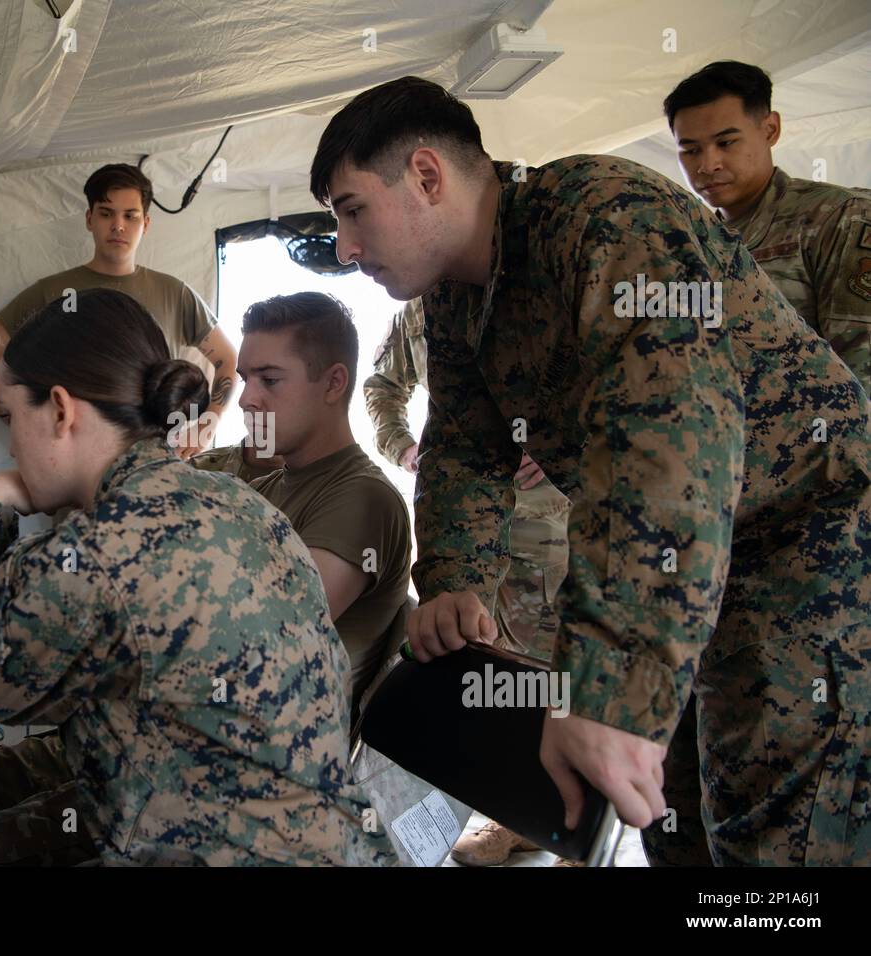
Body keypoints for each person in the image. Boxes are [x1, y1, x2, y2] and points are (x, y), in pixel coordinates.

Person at [311, 75, 871, 866]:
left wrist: (608, 687)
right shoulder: (460, 297)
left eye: (352, 210)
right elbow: (466, 445)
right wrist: (454, 579)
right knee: (667, 811)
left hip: (810, 545)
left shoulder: (606, 216)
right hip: (696, 572)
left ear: (426, 177)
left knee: (780, 827)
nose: (346, 247)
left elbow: (668, 439)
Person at [0, 288, 393, 866]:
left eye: (10, 416)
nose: (12, 442)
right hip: (333, 849)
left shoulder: (97, 552)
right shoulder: (241, 503)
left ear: (62, 410)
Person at [364, 297, 572, 865]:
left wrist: (564, 452)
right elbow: (382, 384)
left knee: (568, 676)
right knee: (491, 667)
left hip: (560, 529)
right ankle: (510, 816)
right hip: (468, 528)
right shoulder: (426, 310)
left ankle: (578, 831)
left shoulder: (559, 283)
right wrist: (405, 447)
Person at [0, 163, 238, 457]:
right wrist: (26, 425)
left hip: (153, 462)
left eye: (129, 216)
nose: (118, 226)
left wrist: (207, 424)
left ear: (145, 223)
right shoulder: (52, 292)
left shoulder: (175, 294)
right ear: (89, 219)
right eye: (106, 213)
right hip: (72, 468)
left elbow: (228, 359)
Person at [235, 292, 412, 719]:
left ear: (334, 383)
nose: (246, 399)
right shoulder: (264, 489)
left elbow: (266, 631)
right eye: (244, 379)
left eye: (270, 380)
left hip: (276, 756)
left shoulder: (364, 498)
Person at [665, 61, 871, 392]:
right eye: (690, 150)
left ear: (770, 130)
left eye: (726, 143)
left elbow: (862, 374)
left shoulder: (839, 217)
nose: (707, 165)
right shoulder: (692, 246)